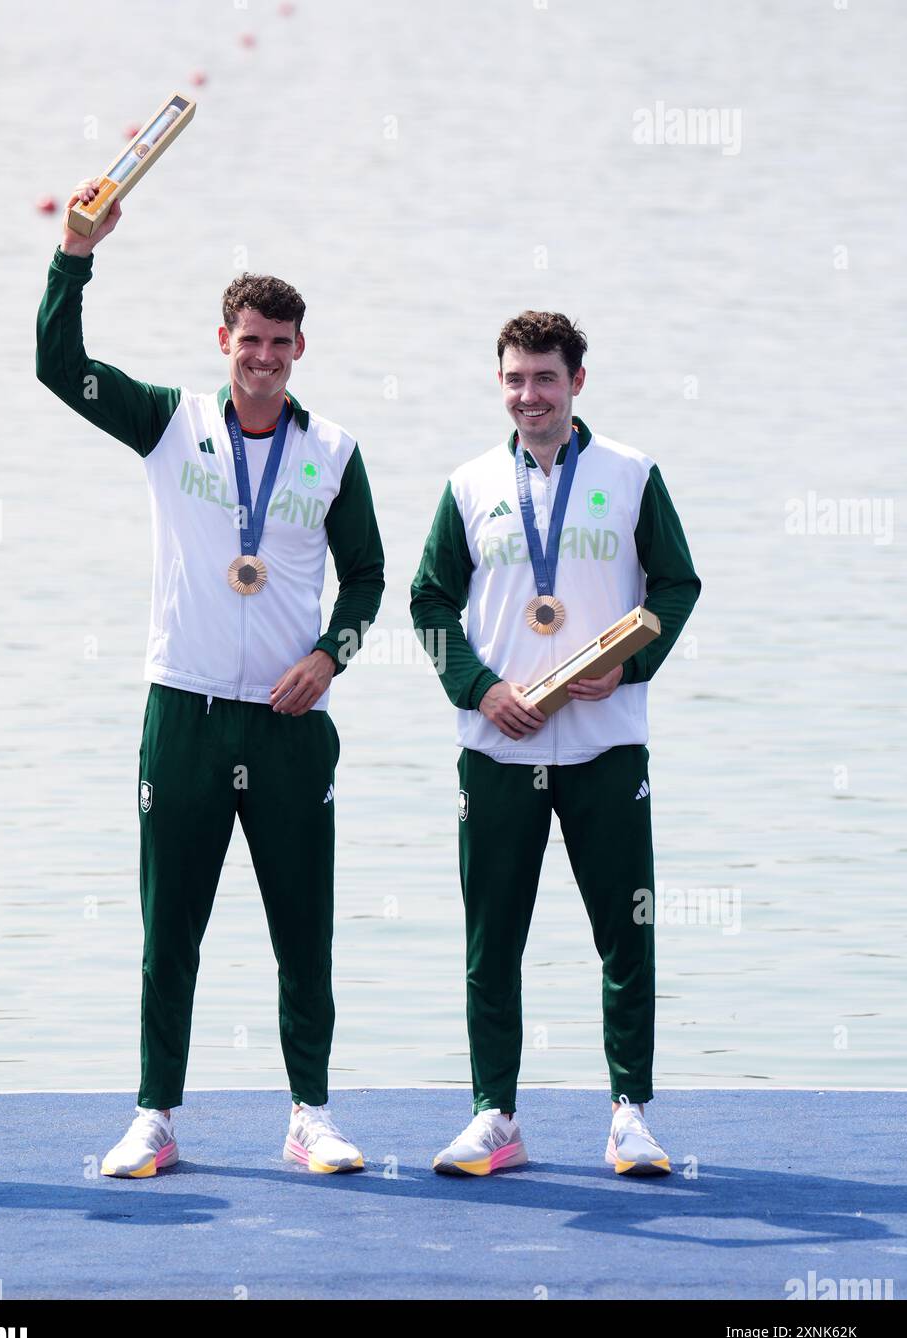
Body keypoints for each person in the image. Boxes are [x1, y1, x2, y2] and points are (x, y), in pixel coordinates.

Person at [36, 182, 385, 1177]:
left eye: (280, 344)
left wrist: (332, 654)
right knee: (168, 930)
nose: (263, 359)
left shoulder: (332, 454)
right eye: (248, 342)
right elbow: (57, 367)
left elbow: (366, 576)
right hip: (181, 712)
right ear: (221, 342)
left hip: (285, 723)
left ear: (299, 351)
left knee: (300, 931)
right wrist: (74, 255)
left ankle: (309, 1114)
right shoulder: (166, 422)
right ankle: (154, 1114)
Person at [410, 310, 700, 1177]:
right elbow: (427, 604)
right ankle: (495, 1116)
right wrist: (480, 689)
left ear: (577, 382)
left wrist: (630, 665)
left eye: (544, 378)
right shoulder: (468, 485)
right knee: (491, 941)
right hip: (497, 747)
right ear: (498, 385)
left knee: (625, 934)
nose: (528, 395)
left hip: (605, 744)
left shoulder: (631, 473)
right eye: (513, 379)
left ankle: (630, 1117)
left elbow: (676, 584)